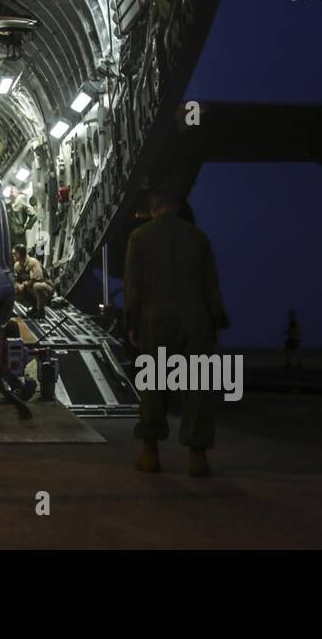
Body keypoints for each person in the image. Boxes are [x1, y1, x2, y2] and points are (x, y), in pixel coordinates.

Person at [124, 187, 227, 477]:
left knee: (154, 387)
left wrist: (131, 324)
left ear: (153, 207)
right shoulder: (199, 238)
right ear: (179, 207)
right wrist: (216, 323)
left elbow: (133, 287)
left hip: (154, 321)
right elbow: (211, 286)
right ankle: (197, 457)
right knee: (197, 389)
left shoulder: (139, 237)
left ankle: (150, 453)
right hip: (195, 321)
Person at [12, 243, 53, 316]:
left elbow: (38, 279)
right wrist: (18, 286)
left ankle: (40, 310)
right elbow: (15, 279)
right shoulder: (17, 265)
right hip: (29, 288)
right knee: (12, 289)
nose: (13, 255)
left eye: (14, 253)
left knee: (37, 286)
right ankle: (33, 306)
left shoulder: (32, 261)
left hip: (46, 288)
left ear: (19, 254)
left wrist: (24, 285)